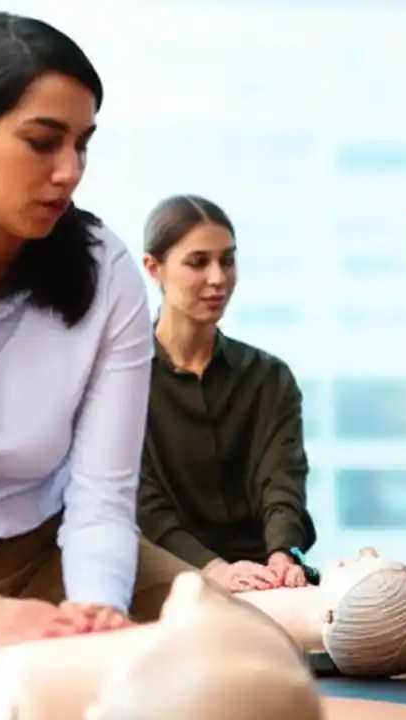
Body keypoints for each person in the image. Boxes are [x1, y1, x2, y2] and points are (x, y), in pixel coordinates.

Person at [0, 13, 197, 692]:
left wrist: (95, 616)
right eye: (41, 142)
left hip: (58, 554)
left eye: (83, 145)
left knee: (242, 661)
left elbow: (102, 497)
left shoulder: (105, 270)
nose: (69, 172)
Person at [136, 194, 316, 592]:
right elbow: (143, 505)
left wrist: (283, 556)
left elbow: (283, 481)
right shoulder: (124, 379)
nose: (218, 278)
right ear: (154, 268)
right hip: (166, 580)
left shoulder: (269, 377)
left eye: (228, 260)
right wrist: (213, 569)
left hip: (264, 578)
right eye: (198, 262)